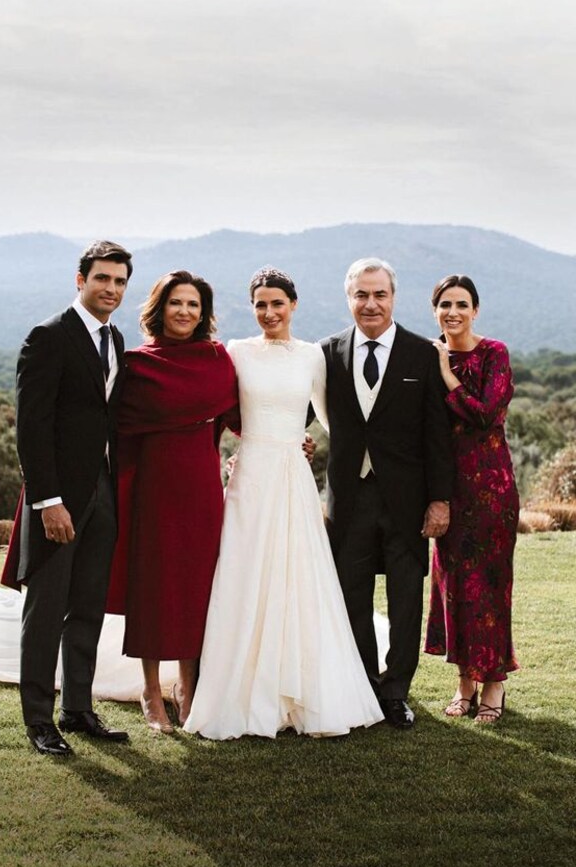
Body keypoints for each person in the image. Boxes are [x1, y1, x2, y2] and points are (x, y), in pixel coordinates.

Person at [184, 267, 385, 740]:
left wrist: (371, 466)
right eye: (261, 304)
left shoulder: (313, 356)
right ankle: (236, 687)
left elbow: (334, 421)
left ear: (293, 305)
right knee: (243, 570)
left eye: (277, 303)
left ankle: (302, 686)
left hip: (293, 476)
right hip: (251, 473)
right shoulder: (236, 352)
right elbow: (218, 410)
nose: (269, 312)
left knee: (298, 574)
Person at [1, 240, 133, 755]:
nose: (111, 289)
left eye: (120, 281)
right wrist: (47, 501)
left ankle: (77, 709)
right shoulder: (49, 337)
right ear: (81, 280)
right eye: (102, 278)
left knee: (88, 607)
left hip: (104, 492)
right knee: (45, 609)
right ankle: (38, 720)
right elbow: (31, 427)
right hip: (58, 498)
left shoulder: (116, 339)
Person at [319, 257, 454, 729]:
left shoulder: (422, 354)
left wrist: (440, 499)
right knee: (351, 596)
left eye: (379, 294)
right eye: (361, 294)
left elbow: (437, 434)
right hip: (349, 498)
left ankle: (396, 692)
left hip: (407, 500)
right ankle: (364, 688)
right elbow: (299, 412)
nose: (370, 303)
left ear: (393, 298)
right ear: (349, 298)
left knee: (404, 600)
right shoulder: (327, 353)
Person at [106, 271, 239, 734]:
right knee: (154, 585)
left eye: (193, 305)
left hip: (202, 488)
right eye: (176, 302)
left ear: (203, 314)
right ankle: (149, 688)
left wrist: (289, 441)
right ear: (160, 308)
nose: (184, 311)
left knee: (197, 587)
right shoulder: (136, 364)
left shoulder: (218, 360)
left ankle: (188, 685)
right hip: (153, 488)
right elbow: (114, 428)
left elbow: (241, 417)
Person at [425, 274, 520, 724]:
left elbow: (486, 414)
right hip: (448, 491)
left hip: (491, 491)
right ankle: (465, 682)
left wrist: (447, 374)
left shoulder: (494, 353)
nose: (453, 312)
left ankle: (494, 683)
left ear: (475, 310)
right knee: (454, 588)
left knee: (491, 587)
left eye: (462, 304)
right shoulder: (427, 356)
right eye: (445, 304)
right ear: (435, 310)